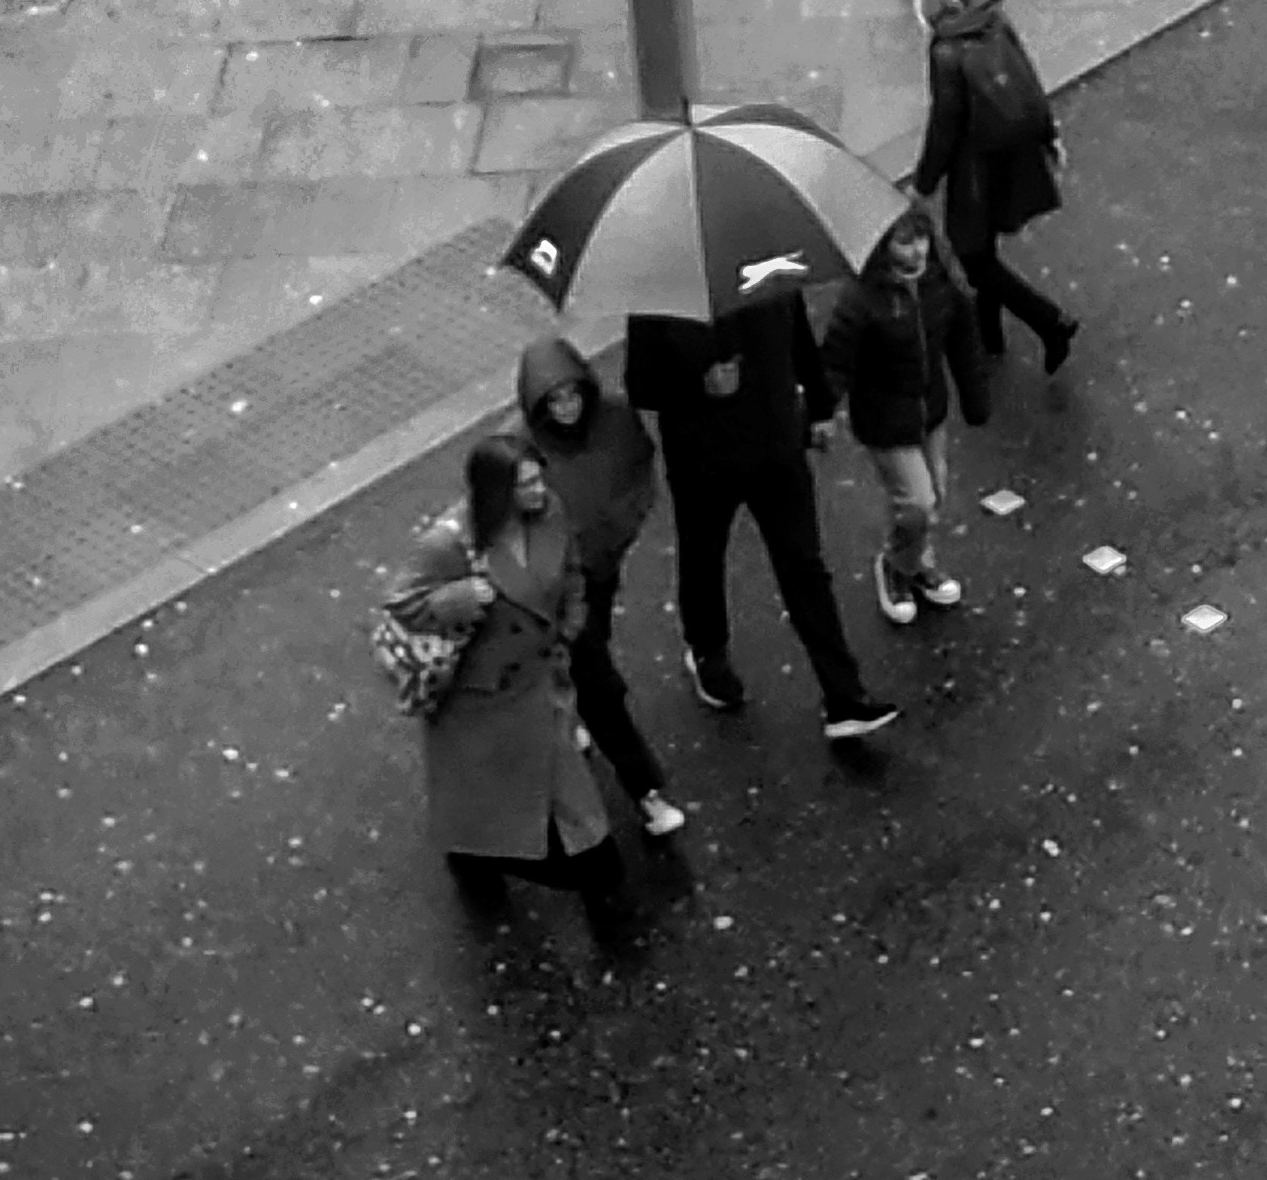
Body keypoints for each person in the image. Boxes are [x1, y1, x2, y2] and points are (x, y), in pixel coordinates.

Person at [623, 298, 898, 743]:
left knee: (805, 569)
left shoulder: (769, 271)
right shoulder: (661, 303)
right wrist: (700, 387)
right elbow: (642, 384)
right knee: (704, 557)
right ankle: (708, 651)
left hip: (777, 451)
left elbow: (799, 338)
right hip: (704, 463)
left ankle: (845, 697)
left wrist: (822, 406)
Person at [384, 437, 641, 897]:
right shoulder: (447, 544)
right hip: (481, 699)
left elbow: (572, 573)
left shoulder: (547, 513)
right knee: (485, 805)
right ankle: (476, 858)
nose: (539, 490)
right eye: (526, 484)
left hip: (539, 685)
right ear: (497, 490)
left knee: (580, 819)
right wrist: (457, 600)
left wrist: (568, 628)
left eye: (539, 478)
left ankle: (543, 868)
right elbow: (402, 605)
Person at [511, 330, 684, 838]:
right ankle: (644, 790)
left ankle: (571, 716)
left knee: (590, 663)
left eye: (572, 394)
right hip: (556, 591)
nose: (566, 407)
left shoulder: (614, 423)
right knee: (600, 683)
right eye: (554, 399)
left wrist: (611, 537)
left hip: (598, 575)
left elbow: (636, 476)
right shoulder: (519, 450)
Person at [908, 0, 1077, 373]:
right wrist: (1049, 133)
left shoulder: (945, 51)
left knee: (973, 257)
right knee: (985, 248)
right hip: (1012, 155)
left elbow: (945, 125)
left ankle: (1048, 321)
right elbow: (1028, 77)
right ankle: (990, 333)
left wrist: (924, 183)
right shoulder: (993, 16)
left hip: (974, 170)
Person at [821, 207, 991, 629]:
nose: (916, 251)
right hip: (885, 421)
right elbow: (836, 362)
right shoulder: (861, 300)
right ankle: (897, 566)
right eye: (903, 241)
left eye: (921, 239)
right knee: (918, 504)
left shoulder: (940, 285)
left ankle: (918, 563)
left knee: (935, 494)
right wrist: (821, 413)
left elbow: (963, 339)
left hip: (929, 412)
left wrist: (975, 398)